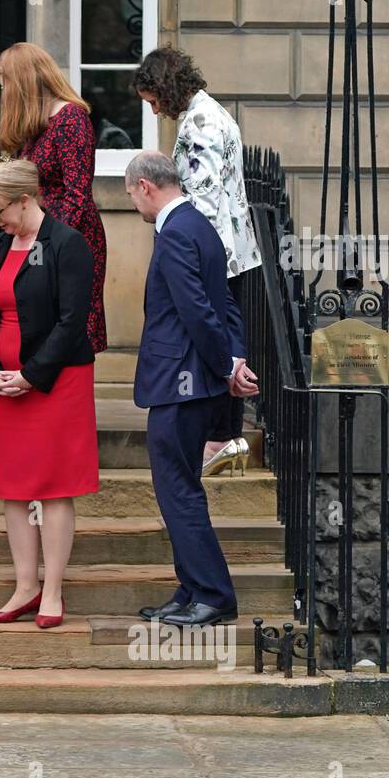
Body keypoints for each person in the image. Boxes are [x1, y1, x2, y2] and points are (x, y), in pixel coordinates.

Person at [124, 151, 258, 628]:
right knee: (180, 489)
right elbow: (226, 302)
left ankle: (214, 595)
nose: (134, 206)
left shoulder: (175, 231)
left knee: (177, 492)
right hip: (196, 381)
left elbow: (198, 310)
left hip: (180, 383)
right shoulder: (201, 226)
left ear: (145, 186)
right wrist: (235, 358)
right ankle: (189, 590)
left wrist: (225, 366)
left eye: (131, 195)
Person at [0, 160, 98, 630]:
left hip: (57, 382)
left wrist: (31, 374)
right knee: (15, 486)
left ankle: (53, 590)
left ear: (26, 200)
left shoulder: (69, 245)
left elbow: (72, 322)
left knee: (54, 486)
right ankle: (25, 585)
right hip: (8, 386)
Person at [134, 46, 261, 476]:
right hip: (230, 249)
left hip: (213, 254)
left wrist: (182, 253)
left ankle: (220, 437)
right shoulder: (213, 112)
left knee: (211, 336)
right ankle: (224, 435)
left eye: (152, 101)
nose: (153, 111)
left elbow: (202, 202)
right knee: (224, 335)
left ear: (165, 88)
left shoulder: (201, 123)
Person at [0, 42, 108, 353]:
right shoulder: (35, 123)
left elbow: (77, 195)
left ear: (23, 82)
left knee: (66, 328)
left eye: (6, 84)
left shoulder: (71, 119)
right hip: (36, 237)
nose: (3, 93)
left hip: (68, 239)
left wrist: (46, 240)